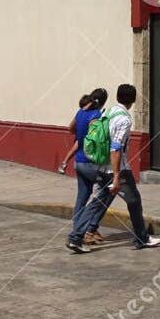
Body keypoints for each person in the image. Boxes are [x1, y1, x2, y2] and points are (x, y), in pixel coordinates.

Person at [67, 84, 160, 254]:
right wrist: (118, 176)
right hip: (117, 168)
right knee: (134, 201)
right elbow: (116, 148)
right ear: (133, 100)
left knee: (98, 202)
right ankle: (142, 238)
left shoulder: (108, 112)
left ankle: (75, 237)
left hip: (100, 166)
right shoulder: (124, 119)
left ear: (118, 97)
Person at [59, 88, 108, 244]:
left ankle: (78, 227)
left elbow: (70, 129)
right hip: (90, 162)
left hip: (79, 161)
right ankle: (89, 229)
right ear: (104, 102)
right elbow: (97, 141)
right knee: (107, 190)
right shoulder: (96, 116)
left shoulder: (80, 113)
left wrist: (80, 136)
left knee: (81, 197)